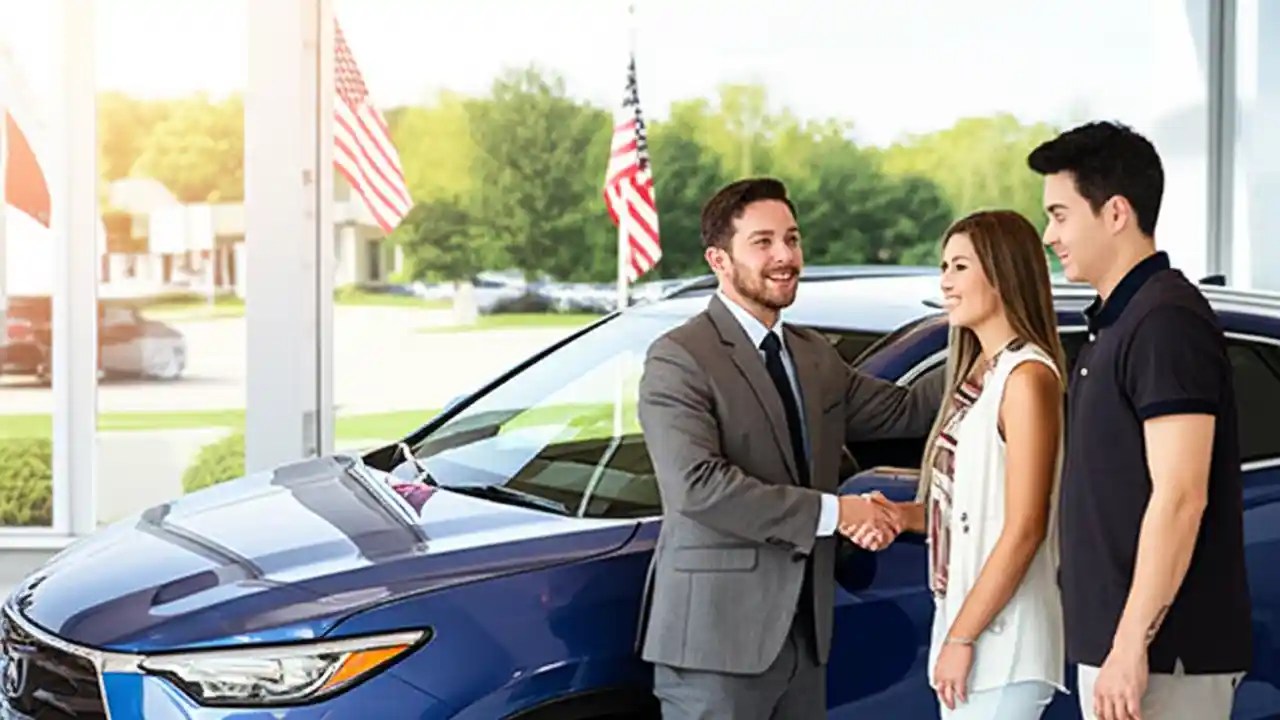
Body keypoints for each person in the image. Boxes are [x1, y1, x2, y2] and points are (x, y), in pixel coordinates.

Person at [635, 177, 943, 719]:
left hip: (806, 641)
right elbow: (699, 488)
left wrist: (987, 328)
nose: (786, 256)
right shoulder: (680, 357)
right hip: (716, 649)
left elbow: (906, 410)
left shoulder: (812, 354)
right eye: (763, 242)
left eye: (792, 239)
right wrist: (839, 512)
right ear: (719, 260)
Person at [1028, 121, 1251, 720]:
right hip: (1123, 650)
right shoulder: (1116, 323)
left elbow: (1181, 496)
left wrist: (1131, 645)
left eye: (1060, 214)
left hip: (1160, 658)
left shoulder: (1164, 324)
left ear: (1117, 212)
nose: (1050, 235)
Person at [851, 210, 1069, 718]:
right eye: (944, 267)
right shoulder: (979, 374)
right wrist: (899, 514)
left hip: (1005, 641)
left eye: (959, 267)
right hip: (972, 632)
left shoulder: (1027, 377)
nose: (945, 282)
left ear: (1003, 273)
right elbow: (970, 507)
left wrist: (962, 637)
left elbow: (1025, 528)